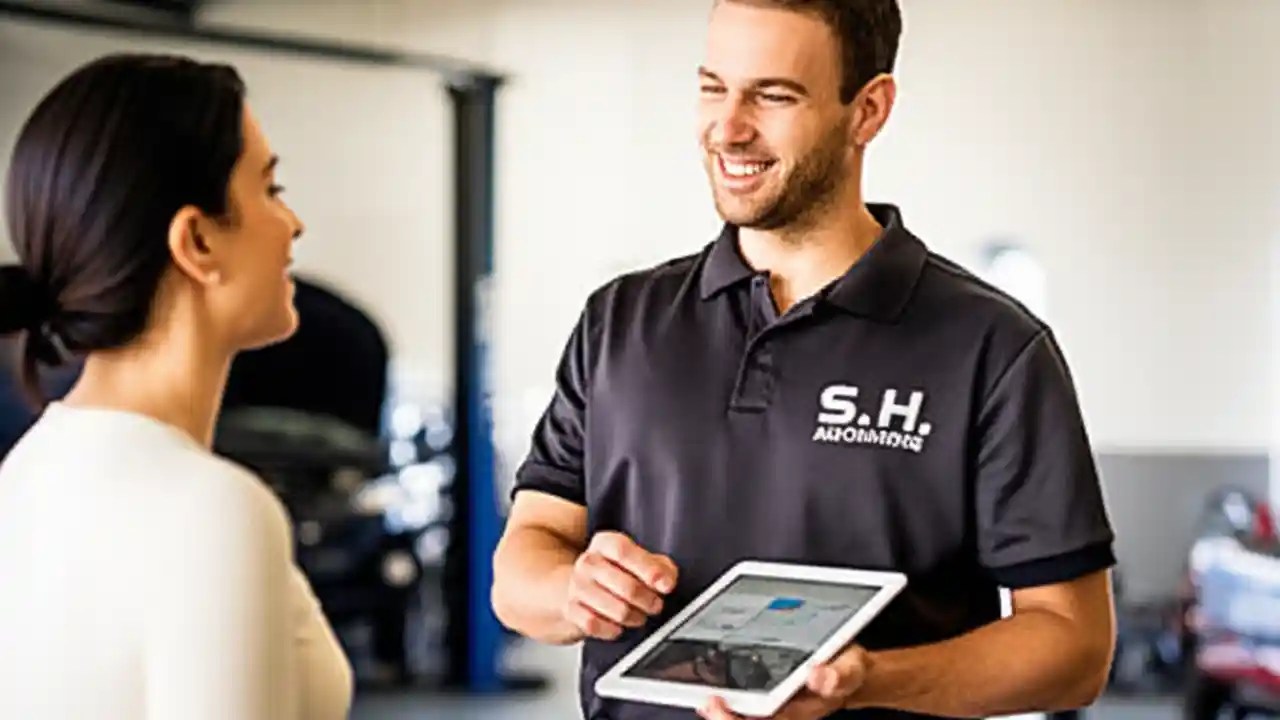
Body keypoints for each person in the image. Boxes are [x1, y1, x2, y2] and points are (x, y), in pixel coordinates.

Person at [491, 2, 1117, 719]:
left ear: (869, 110)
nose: (728, 127)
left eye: (773, 95)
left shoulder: (992, 347)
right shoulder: (619, 322)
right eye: (712, 86)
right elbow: (522, 565)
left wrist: (863, 680)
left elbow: (1073, 647)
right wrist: (573, 591)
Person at [0, 54, 352, 719]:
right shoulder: (211, 510)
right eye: (271, 190)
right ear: (196, 240)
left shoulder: (26, 472)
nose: (294, 224)